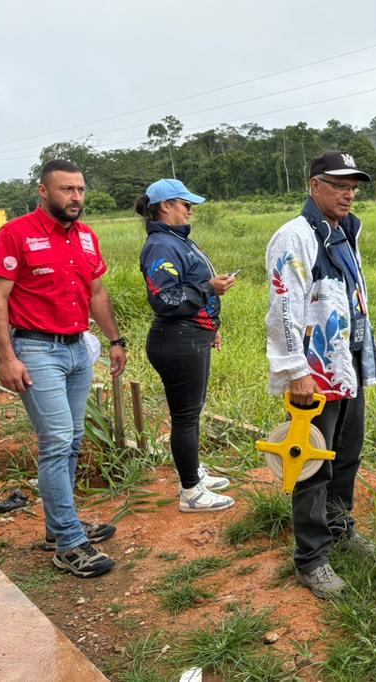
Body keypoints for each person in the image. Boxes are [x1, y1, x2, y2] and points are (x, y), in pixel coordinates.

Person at [0, 159, 127, 579]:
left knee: (73, 437)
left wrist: (115, 340)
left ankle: (57, 527)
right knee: (57, 441)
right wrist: (7, 357)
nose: (76, 198)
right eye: (67, 190)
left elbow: (96, 291)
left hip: (78, 348)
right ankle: (68, 543)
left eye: (80, 190)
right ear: (44, 192)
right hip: (35, 349)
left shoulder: (86, 238)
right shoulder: (15, 235)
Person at [265, 150, 376, 599]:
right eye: (338, 184)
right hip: (313, 371)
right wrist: (296, 371)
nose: (348, 193)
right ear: (315, 186)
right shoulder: (295, 237)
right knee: (313, 461)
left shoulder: (344, 232)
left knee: (347, 452)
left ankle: (340, 528)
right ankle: (312, 558)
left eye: (353, 185)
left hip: (346, 362)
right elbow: (284, 308)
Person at [136, 179, 236, 512]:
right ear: (165, 207)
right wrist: (208, 288)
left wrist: (212, 326)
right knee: (185, 417)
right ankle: (191, 492)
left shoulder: (178, 240)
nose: (190, 209)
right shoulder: (162, 246)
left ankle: (193, 473)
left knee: (191, 415)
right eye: (184, 204)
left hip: (191, 334)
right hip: (178, 338)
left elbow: (186, 290)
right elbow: (165, 299)